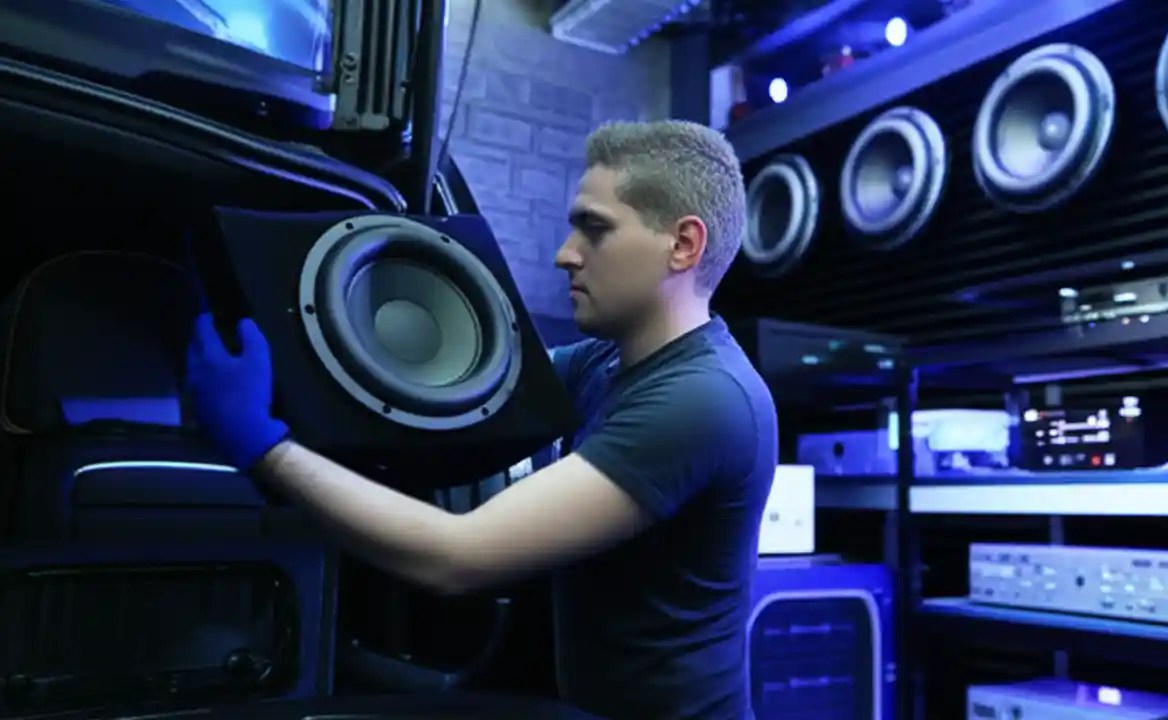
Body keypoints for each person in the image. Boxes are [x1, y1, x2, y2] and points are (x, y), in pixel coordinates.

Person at [184, 119, 779, 720]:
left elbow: (458, 556)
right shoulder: (605, 362)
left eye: (594, 229)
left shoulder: (704, 399)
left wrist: (265, 445)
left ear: (683, 245)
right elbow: (468, 383)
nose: (565, 254)